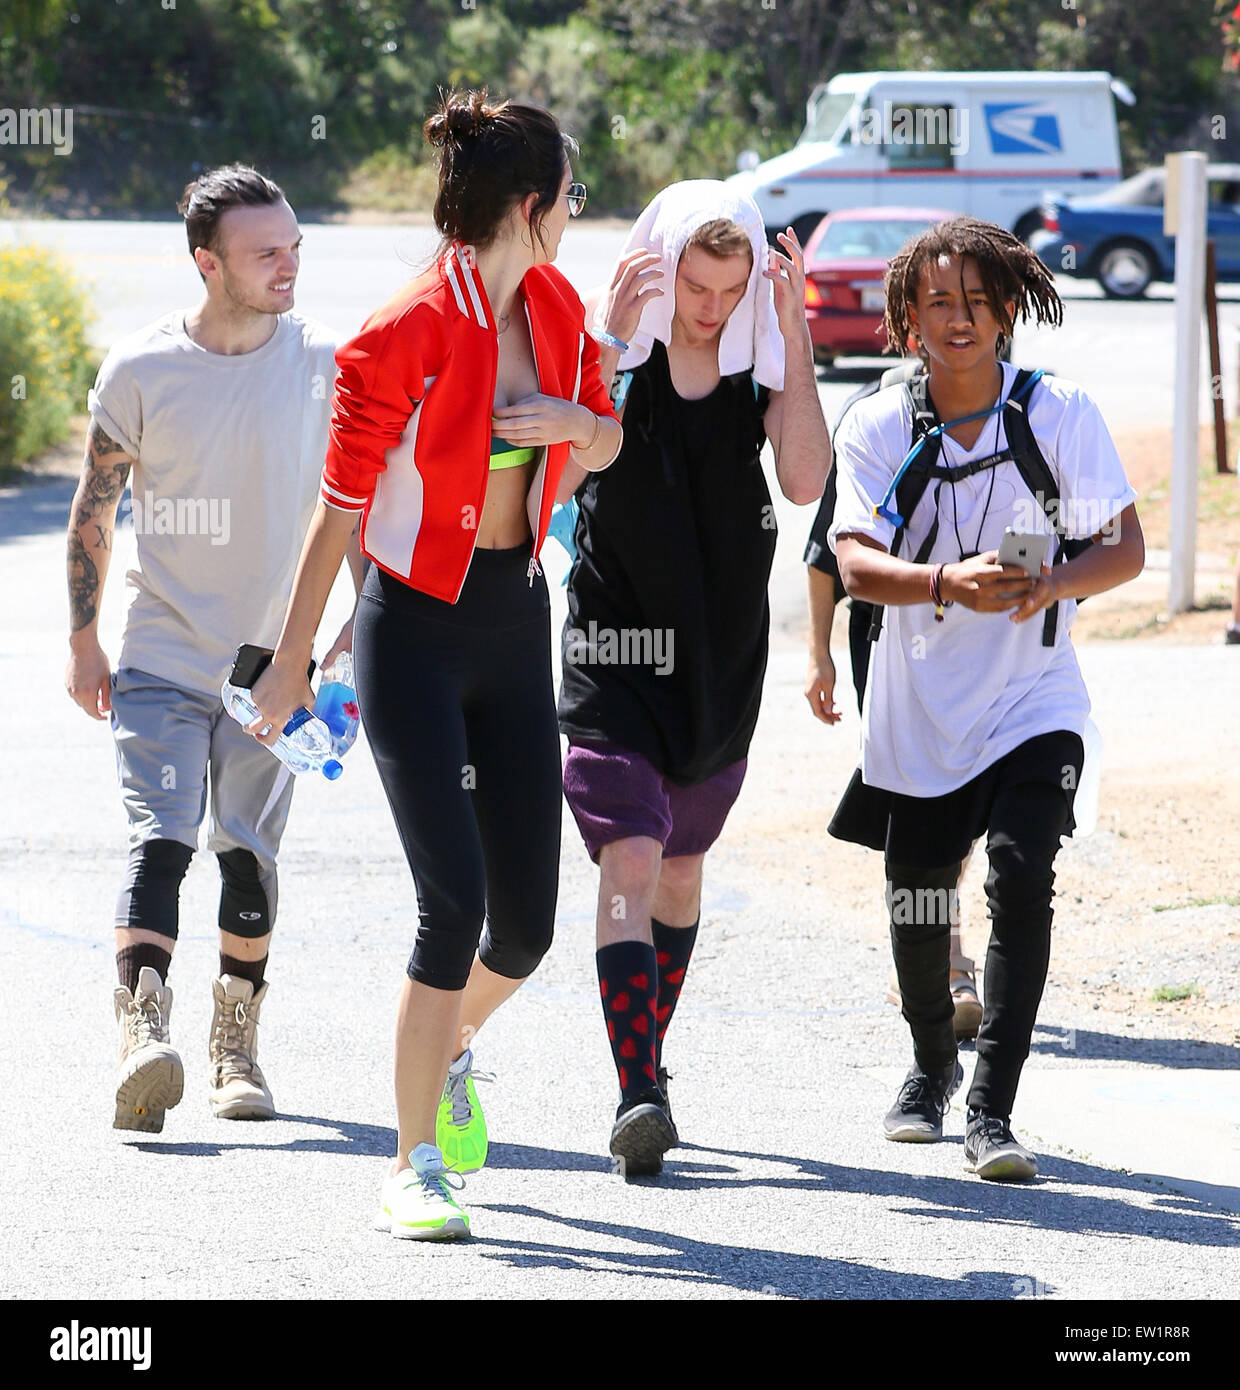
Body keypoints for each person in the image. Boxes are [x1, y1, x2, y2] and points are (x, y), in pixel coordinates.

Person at [249, 91, 622, 1239]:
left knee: (526, 928)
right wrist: (290, 663)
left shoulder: (557, 308)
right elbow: (338, 511)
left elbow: (607, 438)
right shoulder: (400, 328)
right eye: (570, 196)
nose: (576, 213)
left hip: (516, 619)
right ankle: (412, 1163)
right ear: (531, 205)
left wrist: (563, 418)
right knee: (450, 904)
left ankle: (447, 1041)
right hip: (411, 629)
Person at [827, 216, 1144, 1181]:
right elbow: (850, 564)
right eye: (938, 304)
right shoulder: (879, 424)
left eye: (976, 301)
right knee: (920, 898)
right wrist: (942, 585)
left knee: (1020, 869)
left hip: (1033, 694)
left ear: (1008, 310)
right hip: (918, 702)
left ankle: (991, 1110)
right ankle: (929, 1064)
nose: (958, 320)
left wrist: (1050, 586)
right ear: (908, 320)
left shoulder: (1060, 414)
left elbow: (1123, 550)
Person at [65, 164, 361, 1134]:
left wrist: (358, 624)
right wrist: (82, 638)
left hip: (272, 666)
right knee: (159, 838)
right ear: (207, 262)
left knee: (245, 856)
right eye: (264, 252)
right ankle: (141, 1037)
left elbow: (352, 505)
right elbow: (94, 511)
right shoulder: (142, 369)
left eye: (294, 248)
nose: (288, 265)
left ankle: (237, 1043)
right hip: (158, 652)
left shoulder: (325, 362)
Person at [555, 181, 830, 1175]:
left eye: (731, 285)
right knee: (629, 858)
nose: (710, 305)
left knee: (678, 872)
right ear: (659, 264)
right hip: (613, 656)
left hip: (721, 663)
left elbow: (803, 481)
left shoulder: (760, 366)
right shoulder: (618, 350)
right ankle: (635, 1090)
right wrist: (607, 346)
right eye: (694, 282)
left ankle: (648, 1059)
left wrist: (792, 337)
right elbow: (564, 469)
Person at [803, 363, 983, 1042]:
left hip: (986, 642)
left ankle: (940, 945)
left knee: (975, 804)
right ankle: (944, 956)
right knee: (921, 800)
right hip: (887, 639)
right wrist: (818, 653)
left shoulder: (1020, 405)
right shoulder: (873, 414)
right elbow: (827, 555)